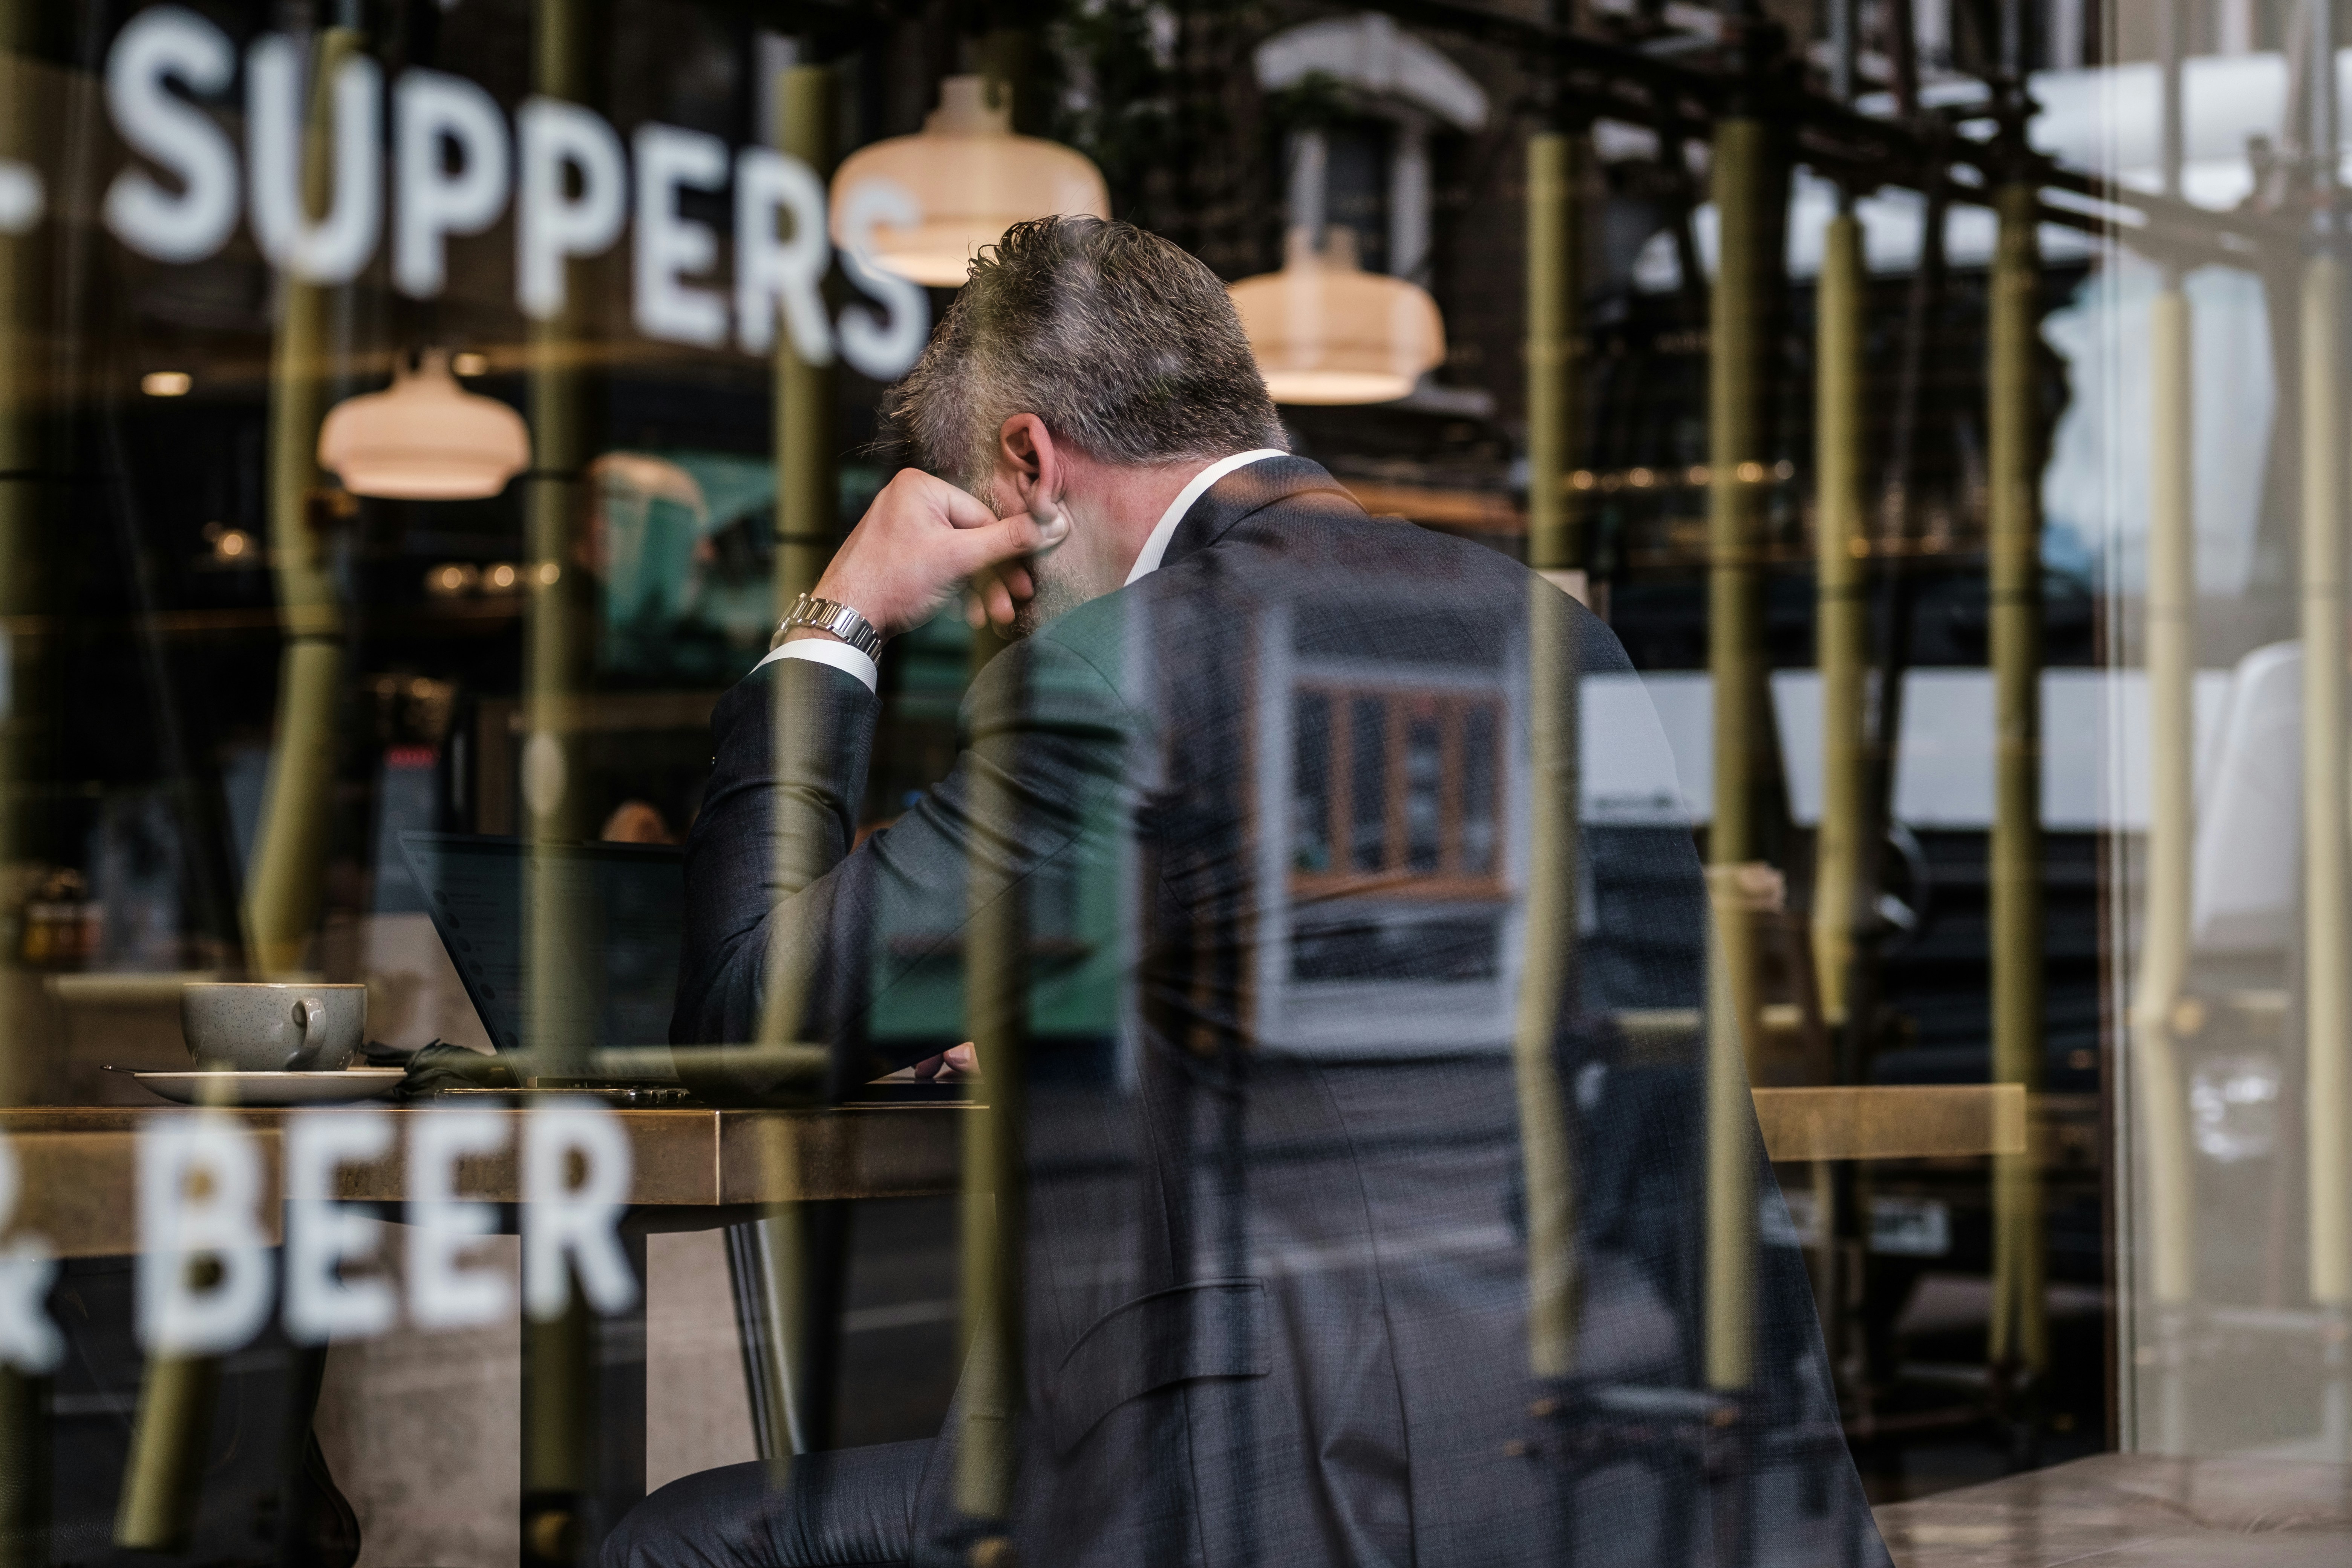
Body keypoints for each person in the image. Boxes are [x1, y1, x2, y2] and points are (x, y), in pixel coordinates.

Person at [612, 217, 1888, 1568]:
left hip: (1307, 1497)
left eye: (992, 551)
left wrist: (843, 616)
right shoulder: (1552, 631)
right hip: (1670, 1482)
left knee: (682, 1540)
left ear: (1032, 463)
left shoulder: (1124, 667)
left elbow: (756, 1015)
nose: (999, 608)